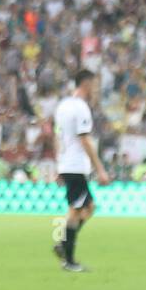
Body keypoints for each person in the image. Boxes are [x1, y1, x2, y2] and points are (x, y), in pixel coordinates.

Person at [53, 69, 111, 272]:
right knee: (76, 210)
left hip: (67, 164)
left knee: (88, 207)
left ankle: (63, 245)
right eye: (94, 85)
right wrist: (100, 169)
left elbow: (58, 137)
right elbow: (84, 139)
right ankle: (68, 260)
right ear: (86, 84)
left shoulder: (62, 106)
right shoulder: (81, 108)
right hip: (76, 165)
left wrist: (58, 164)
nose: (95, 89)